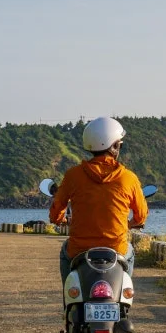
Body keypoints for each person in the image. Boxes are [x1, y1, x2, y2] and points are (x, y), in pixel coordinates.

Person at [49, 117, 148, 285]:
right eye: (120, 145)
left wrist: (60, 220)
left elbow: (56, 210)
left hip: (79, 250)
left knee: (65, 253)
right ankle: (124, 292)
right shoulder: (129, 178)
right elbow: (141, 216)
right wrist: (128, 225)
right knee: (130, 252)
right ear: (115, 147)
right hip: (116, 249)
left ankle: (70, 295)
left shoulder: (73, 176)